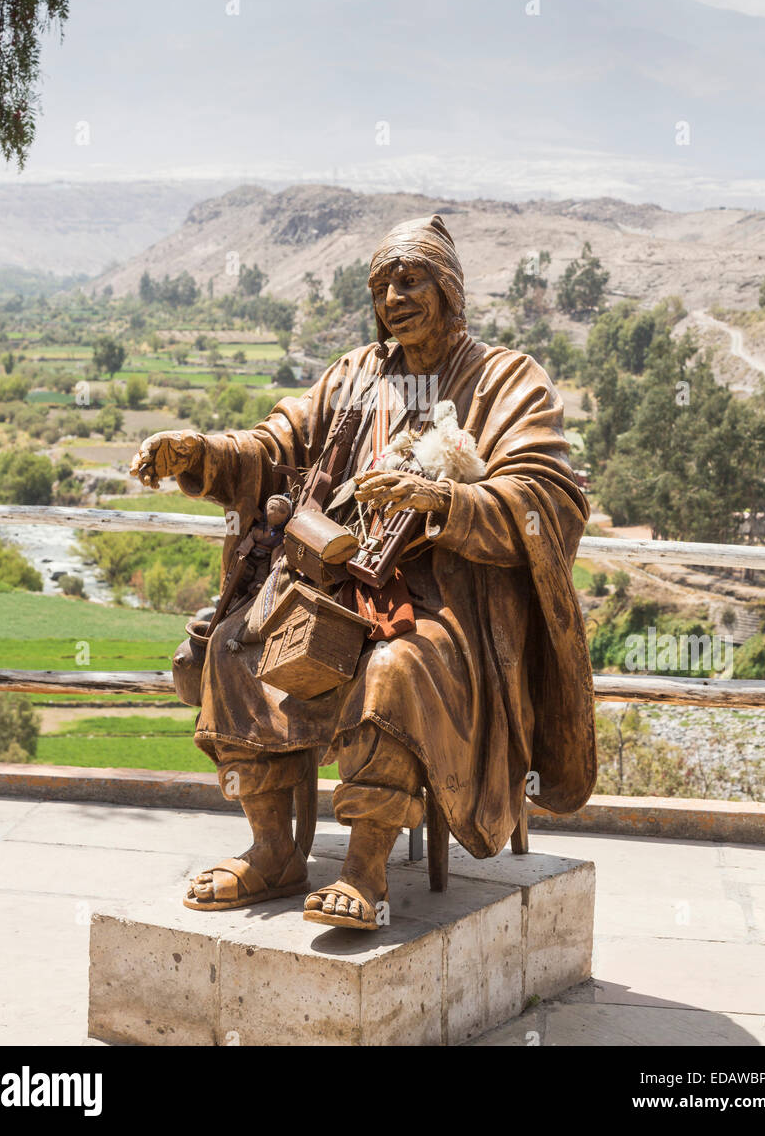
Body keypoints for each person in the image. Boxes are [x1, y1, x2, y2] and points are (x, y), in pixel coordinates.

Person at [130, 214, 596, 930]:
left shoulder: (507, 380)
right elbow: (274, 445)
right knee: (230, 645)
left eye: (411, 280)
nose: (394, 297)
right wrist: (200, 454)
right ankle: (272, 851)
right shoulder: (353, 375)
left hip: (446, 604)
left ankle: (365, 870)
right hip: (335, 587)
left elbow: (550, 495)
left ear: (449, 288)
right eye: (382, 285)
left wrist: (446, 500)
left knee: (395, 669)